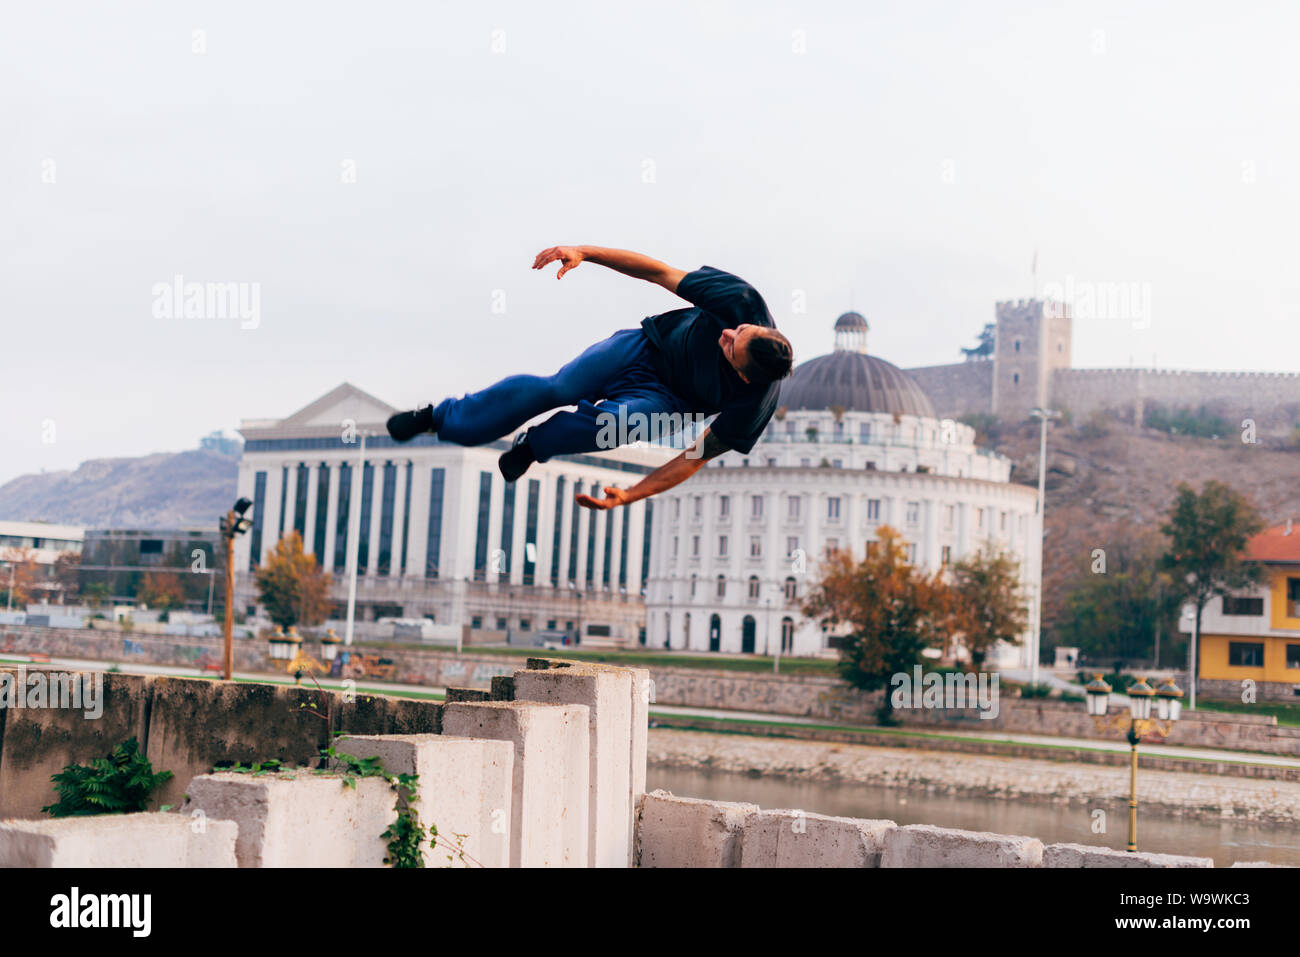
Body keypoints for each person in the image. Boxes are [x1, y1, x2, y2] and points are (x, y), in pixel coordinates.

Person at [386, 245, 793, 511]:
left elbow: (693, 458)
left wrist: (631, 494)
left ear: (743, 376)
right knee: (558, 388)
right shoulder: (741, 301)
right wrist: (585, 252)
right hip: (646, 347)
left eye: (730, 347)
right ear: (762, 329)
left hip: (670, 403)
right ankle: (437, 418)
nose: (727, 333)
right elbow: (657, 272)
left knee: (613, 426)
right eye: (738, 332)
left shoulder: (753, 405)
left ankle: (534, 447)